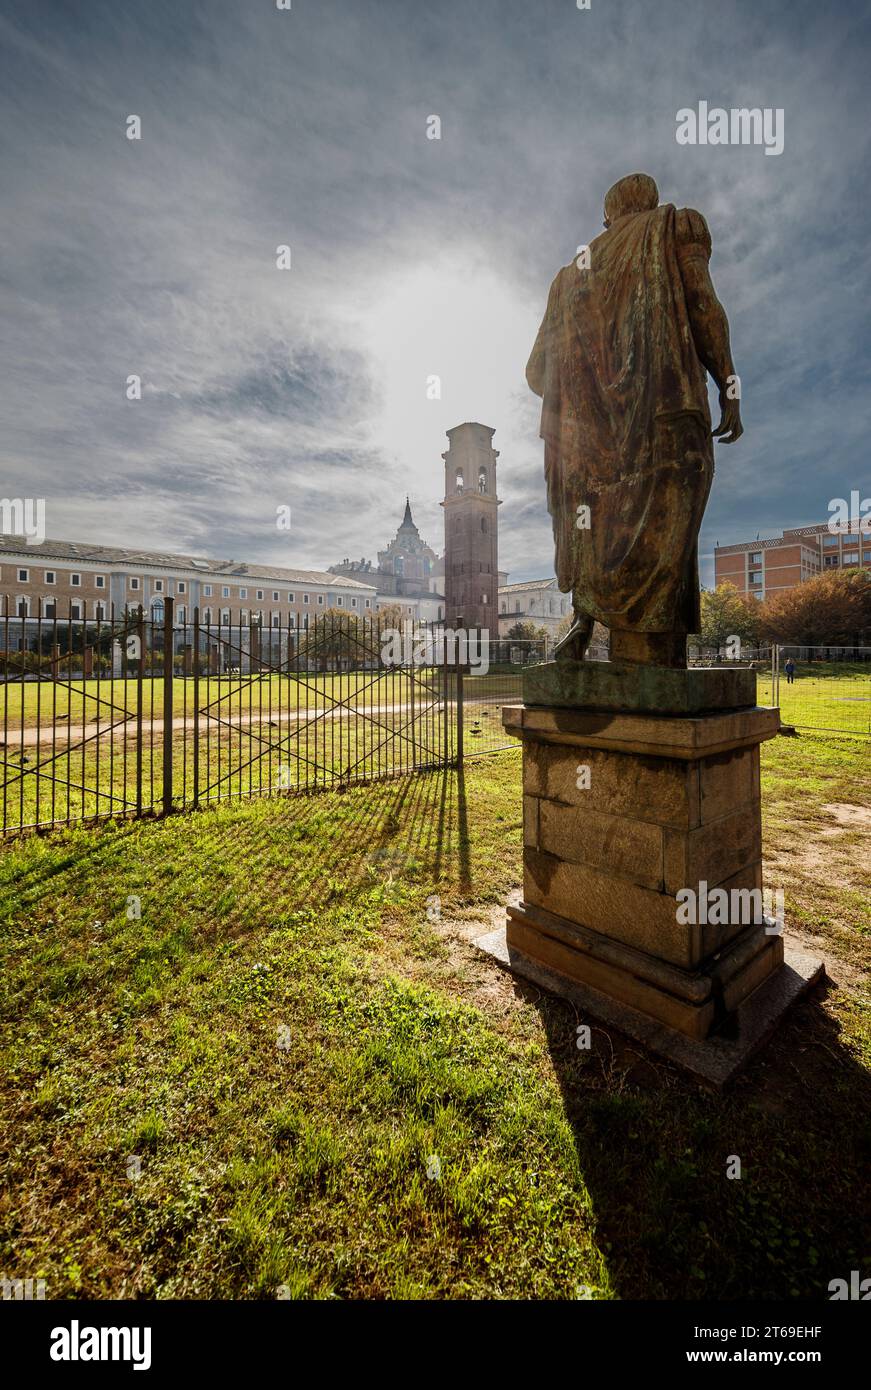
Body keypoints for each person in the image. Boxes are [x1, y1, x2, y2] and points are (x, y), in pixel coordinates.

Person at [526, 172, 743, 668]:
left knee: (593, 525)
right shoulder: (677, 227)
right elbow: (704, 305)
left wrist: (586, 386)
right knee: (665, 523)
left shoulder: (566, 279)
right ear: (651, 202)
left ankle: (584, 624)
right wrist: (727, 380)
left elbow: (537, 371)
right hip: (665, 418)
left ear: (607, 217)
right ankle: (654, 656)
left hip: (585, 449)